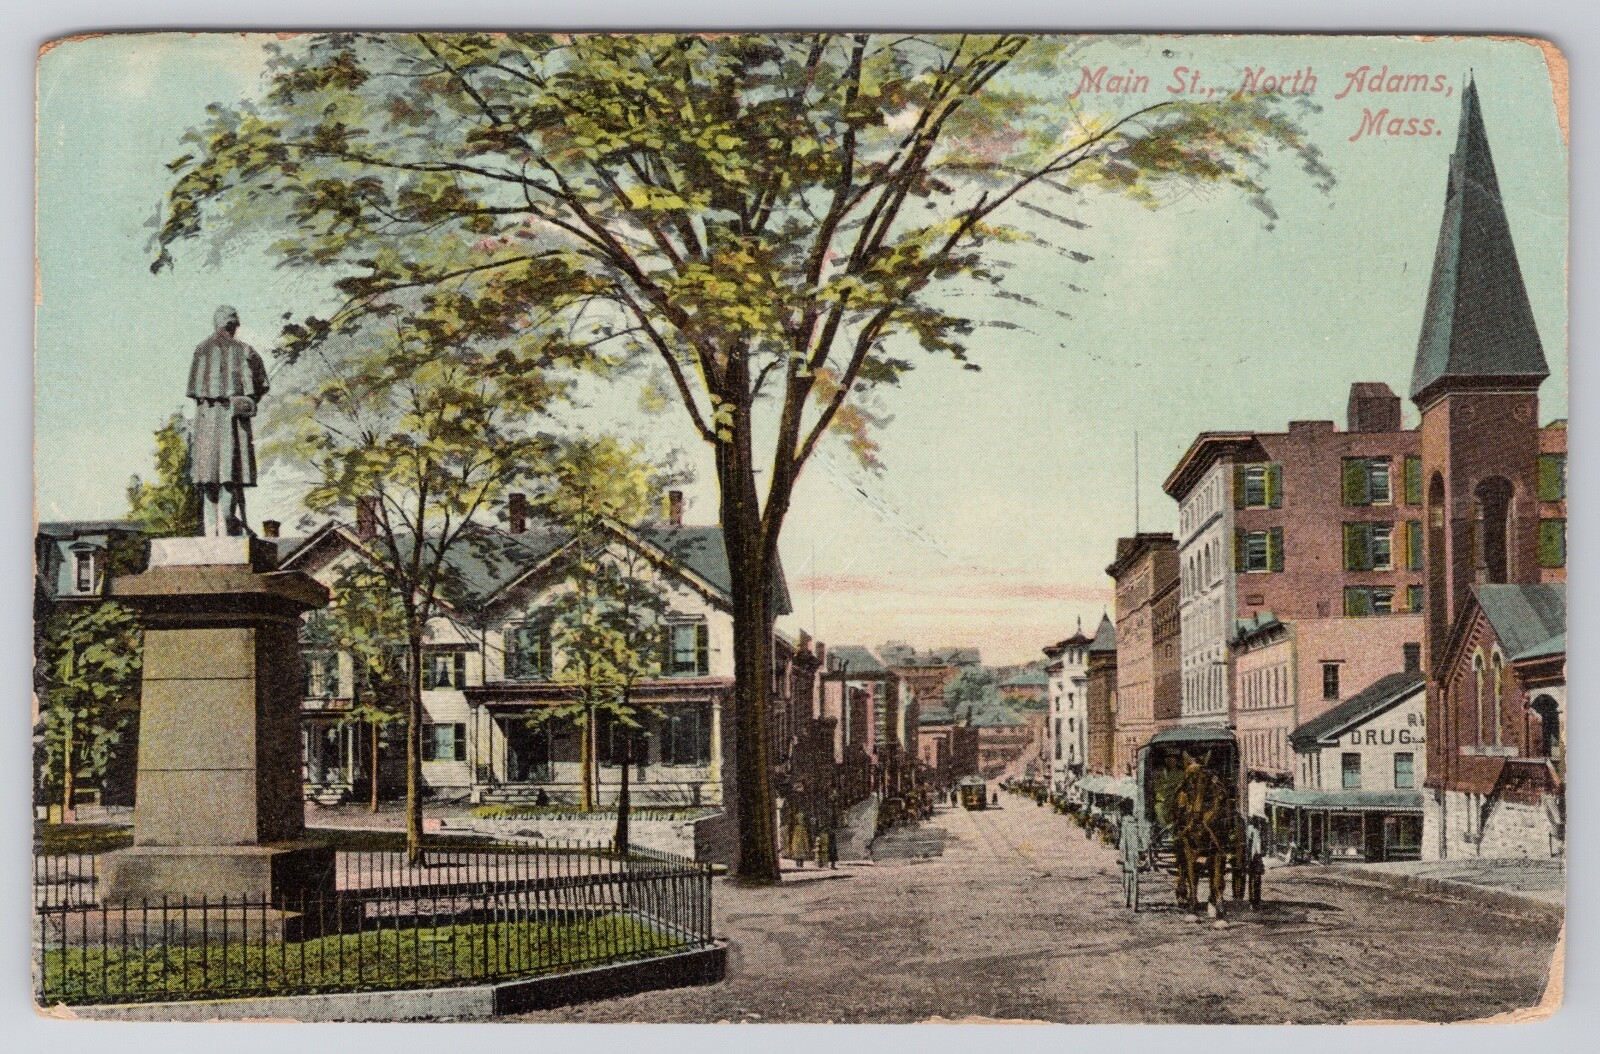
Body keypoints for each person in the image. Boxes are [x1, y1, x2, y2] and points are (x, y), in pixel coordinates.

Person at [188, 305, 270, 537]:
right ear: (233, 324)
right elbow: (261, 387)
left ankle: (213, 527)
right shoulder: (245, 350)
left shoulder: (201, 350)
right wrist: (245, 399)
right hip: (229, 421)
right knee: (228, 476)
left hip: (209, 420)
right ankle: (224, 524)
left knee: (210, 478)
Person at [1246, 816, 1266, 909]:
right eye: (1259, 823)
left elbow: (1259, 845)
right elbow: (1249, 843)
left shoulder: (1258, 831)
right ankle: (1252, 901)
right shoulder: (1250, 830)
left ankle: (1257, 900)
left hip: (1258, 857)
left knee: (1258, 880)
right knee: (1253, 879)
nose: (1260, 825)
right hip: (1252, 857)